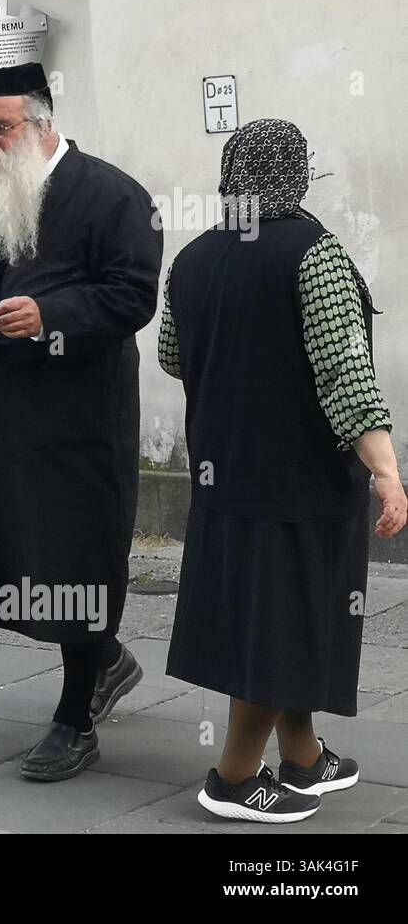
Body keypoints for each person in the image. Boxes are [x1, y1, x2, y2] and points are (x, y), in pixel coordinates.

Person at [159, 118, 406, 822]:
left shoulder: (195, 257)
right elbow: (345, 372)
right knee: (283, 624)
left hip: (223, 472)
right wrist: (387, 471)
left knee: (278, 617)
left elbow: (174, 357)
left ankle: (302, 755)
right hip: (298, 481)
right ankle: (234, 775)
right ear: (297, 175)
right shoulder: (314, 253)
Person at [0, 62, 163, 780]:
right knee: (25, 563)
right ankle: (107, 659)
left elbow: (133, 297)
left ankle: (74, 718)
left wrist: (50, 316)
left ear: (39, 123)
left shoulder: (112, 195)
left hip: (77, 424)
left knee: (76, 559)